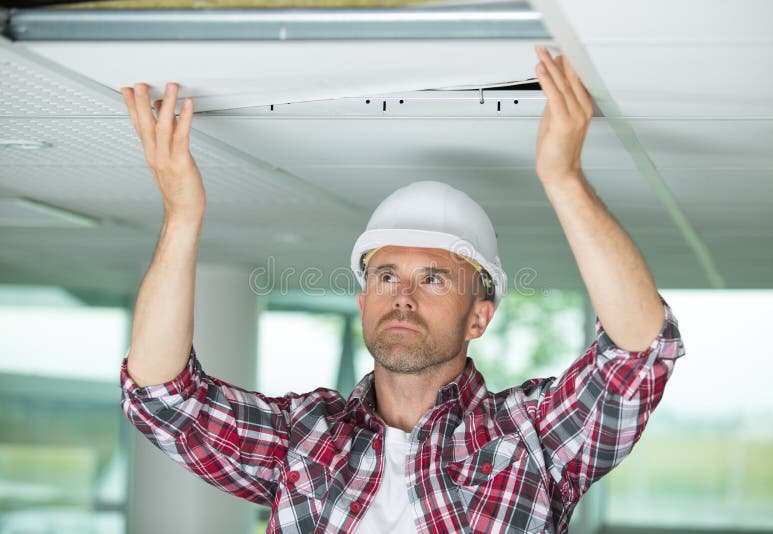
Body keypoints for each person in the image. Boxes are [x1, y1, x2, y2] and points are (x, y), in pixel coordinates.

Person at [119, 48, 685, 533]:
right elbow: (163, 398)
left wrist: (564, 178)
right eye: (386, 276)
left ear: (478, 318)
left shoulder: (529, 439)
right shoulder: (305, 439)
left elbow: (637, 356)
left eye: (433, 279)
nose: (403, 297)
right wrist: (182, 216)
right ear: (362, 302)